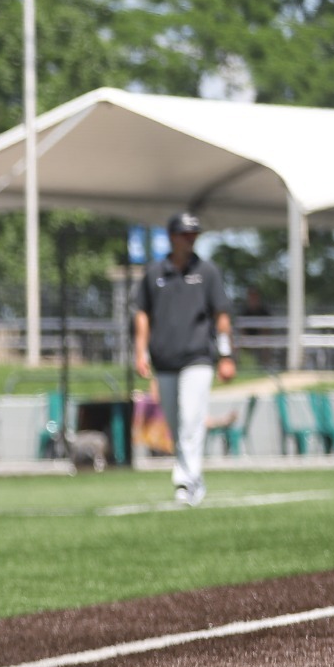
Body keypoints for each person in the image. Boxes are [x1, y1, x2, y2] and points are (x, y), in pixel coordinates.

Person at [132, 211, 236, 507]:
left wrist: (226, 355)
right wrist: (140, 352)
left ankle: (185, 481)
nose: (191, 240)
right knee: (177, 424)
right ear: (173, 237)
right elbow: (142, 314)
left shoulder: (207, 272)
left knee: (191, 418)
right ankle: (193, 478)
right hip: (164, 360)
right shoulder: (154, 273)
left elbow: (222, 316)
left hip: (198, 358)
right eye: (185, 234)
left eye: (195, 235)